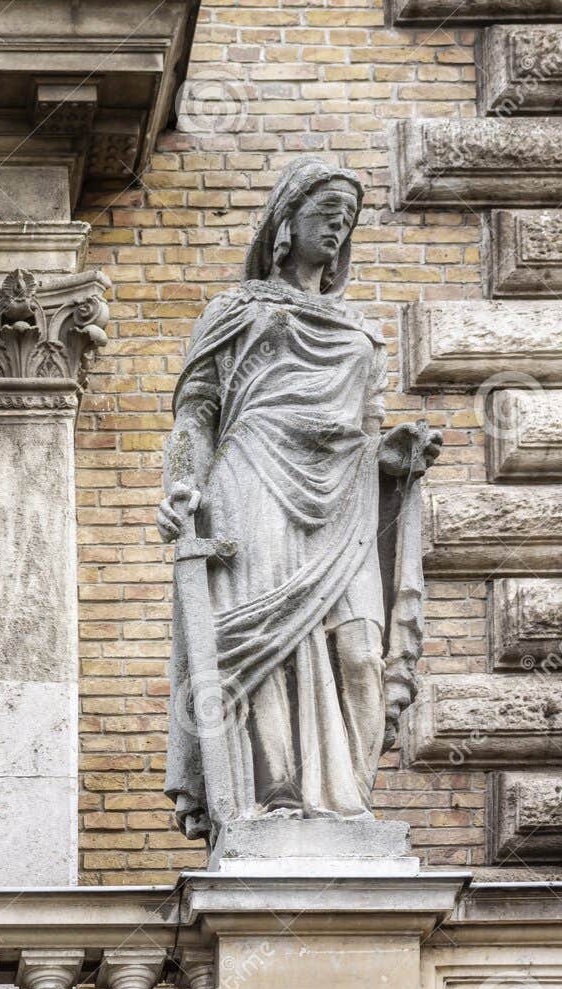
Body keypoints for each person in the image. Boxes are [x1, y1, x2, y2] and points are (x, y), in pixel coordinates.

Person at [157, 161, 440, 840]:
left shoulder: (361, 332)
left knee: (359, 651)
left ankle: (346, 799)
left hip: (343, 494)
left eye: (347, 214)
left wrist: (396, 456)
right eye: (325, 209)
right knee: (265, 645)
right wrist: (183, 484)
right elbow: (197, 410)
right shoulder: (236, 309)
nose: (338, 223)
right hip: (253, 477)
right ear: (285, 225)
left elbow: (369, 432)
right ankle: (276, 794)